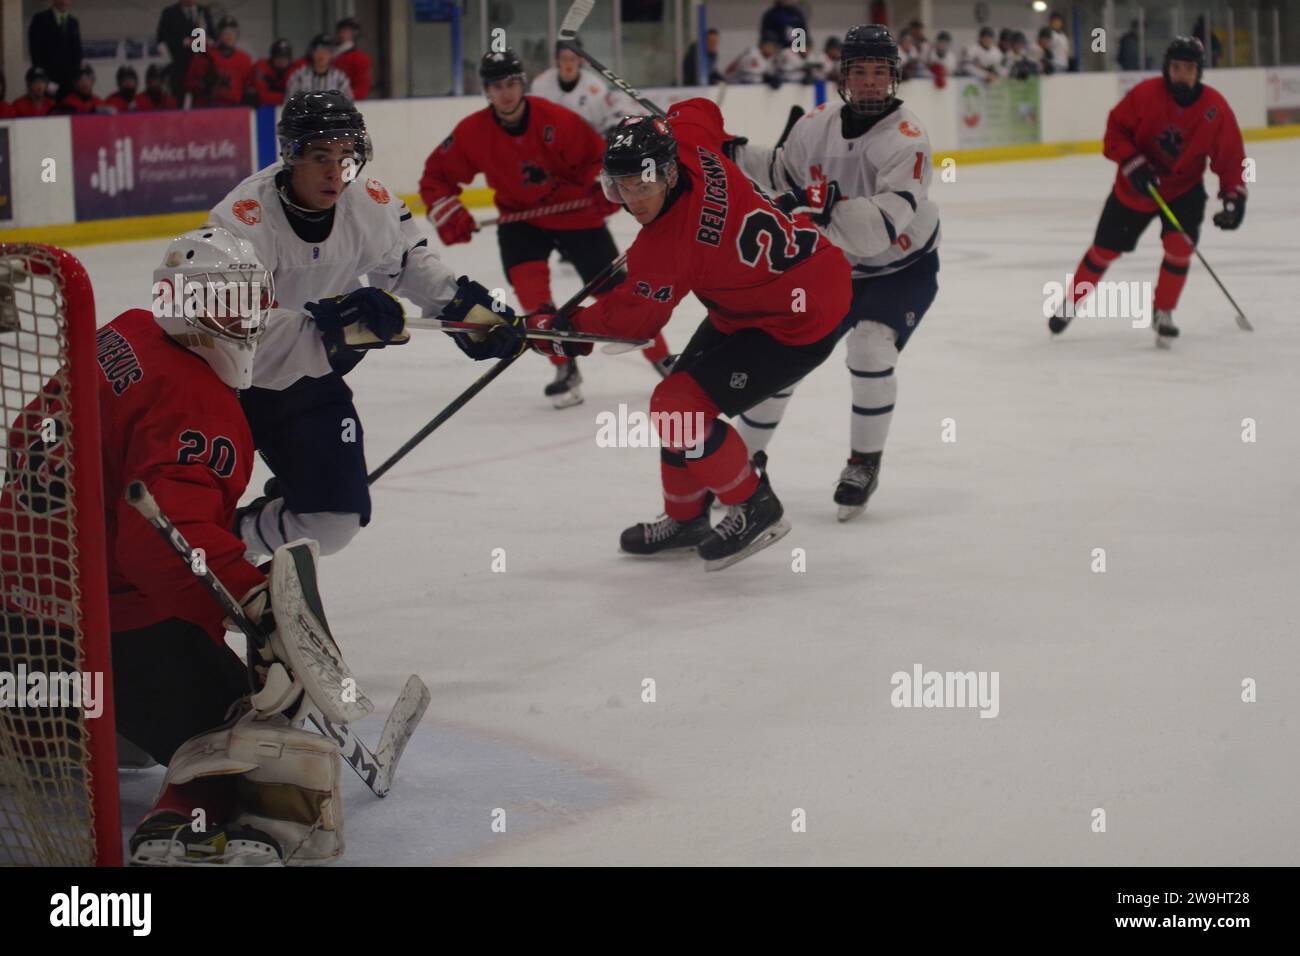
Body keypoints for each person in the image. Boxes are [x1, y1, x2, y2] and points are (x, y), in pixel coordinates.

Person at [0, 230, 348, 864]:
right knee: (248, 738)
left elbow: (32, 431)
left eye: (251, 302)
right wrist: (247, 594)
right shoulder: (198, 401)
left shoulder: (124, 333)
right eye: (224, 302)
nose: (243, 321)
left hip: (18, 615)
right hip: (101, 632)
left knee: (58, 707)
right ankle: (185, 820)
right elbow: (157, 544)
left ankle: (37, 729)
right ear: (182, 303)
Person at [525, 101, 852, 568]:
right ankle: (686, 518)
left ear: (669, 172)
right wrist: (667, 123)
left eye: (644, 185)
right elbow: (700, 109)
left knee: (677, 405)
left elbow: (633, 323)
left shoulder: (667, 248)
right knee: (675, 402)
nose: (635, 200)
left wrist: (562, 331)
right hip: (753, 303)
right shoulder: (690, 142)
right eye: (622, 188)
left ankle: (755, 505)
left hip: (797, 318)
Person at [210, 91, 517, 559]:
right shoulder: (243, 220)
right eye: (320, 158)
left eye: (346, 157)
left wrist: (469, 314)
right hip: (229, 389)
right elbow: (230, 332)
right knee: (191, 505)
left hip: (308, 382)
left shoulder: (368, 204)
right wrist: (334, 329)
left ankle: (242, 538)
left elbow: (407, 265)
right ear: (291, 156)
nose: (337, 173)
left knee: (334, 523)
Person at [729, 24, 940, 521]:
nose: (869, 82)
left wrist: (816, 209)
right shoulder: (819, 122)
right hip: (831, 267)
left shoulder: (907, 139)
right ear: (844, 76)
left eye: (879, 73)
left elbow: (876, 232)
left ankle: (864, 461)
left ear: (894, 78)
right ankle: (739, 464)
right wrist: (728, 152)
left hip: (898, 269)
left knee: (869, 348)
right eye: (860, 72)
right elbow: (780, 172)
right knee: (784, 359)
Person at [420, 50, 671, 408]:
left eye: (511, 83)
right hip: (521, 220)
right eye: (496, 86)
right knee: (534, 298)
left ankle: (662, 359)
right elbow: (437, 176)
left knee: (619, 296)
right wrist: (448, 210)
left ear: (522, 84)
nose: (505, 93)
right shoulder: (473, 132)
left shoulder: (556, 119)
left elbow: (601, 158)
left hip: (576, 216)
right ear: (486, 90)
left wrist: (605, 188)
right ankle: (563, 366)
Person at [1050, 37, 1246, 348]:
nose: (1182, 74)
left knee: (1180, 246)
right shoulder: (1145, 94)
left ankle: (1163, 312)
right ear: (1167, 69)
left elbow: (1231, 155)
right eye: (1176, 67)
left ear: (1200, 72)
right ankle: (1071, 302)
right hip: (1135, 189)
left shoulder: (1214, 107)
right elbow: (1115, 131)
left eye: (1189, 69)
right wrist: (1132, 161)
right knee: (1104, 251)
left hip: (1183, 189)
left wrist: (1234, 195)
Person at [530, 38, 637, 135]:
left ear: (580, 60)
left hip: (585, 145)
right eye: (564, 58)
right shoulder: (541, 84)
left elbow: (610, 119)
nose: (569, 64)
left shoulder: (596, 88)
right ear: (557, 60)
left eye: (573, 59)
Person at [185, 16, 254, 108]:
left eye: (232, 32)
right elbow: (189, 84)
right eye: (225, 32)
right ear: (219, 35)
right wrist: (203, 85)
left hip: (235, 111)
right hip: (208, 110)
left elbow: (250, 87)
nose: (229, 36)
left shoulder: (245, 59)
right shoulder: (205, 56)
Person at [156, 1, 214, 103]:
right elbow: (162, 40)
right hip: (179, 68)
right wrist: (183, 42)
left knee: (202, 102)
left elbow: (214, 36)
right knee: (178, 102)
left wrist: (208, 41)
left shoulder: (203, 11)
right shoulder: (169, 13)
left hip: (201, 69)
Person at [28, 0, 83, 96]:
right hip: (47, 79)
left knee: (68, 108)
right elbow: (35, 52)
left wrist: (76, 79)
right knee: (50, 106)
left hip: (69, 81)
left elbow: (77, 52)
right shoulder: (40, 19)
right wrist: (44, 80)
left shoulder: (73, 22)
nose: (63, 1)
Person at [284, 34, 354, 101]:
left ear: (331, 55)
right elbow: (290, 103)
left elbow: (348, 103)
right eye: (318, 51)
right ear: (312, 53)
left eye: (326, 51)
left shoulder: (340, 78)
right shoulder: (299, 77)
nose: (321, 55)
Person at [333, 17, 372, 100]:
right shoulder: (330, 54)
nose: (342, 34)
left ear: (354, 34)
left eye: (347, 31)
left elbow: (362, 88)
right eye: (341, 30)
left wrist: (343, 99)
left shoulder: (359, 58)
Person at [253, 38, 297, 106]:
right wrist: (286, 97)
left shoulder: (293, 70)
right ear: (272, 57)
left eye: (285, 57)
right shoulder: (262, 67)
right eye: (278, 57)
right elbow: (261, 97)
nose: (282, 61)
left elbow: (296, 97)